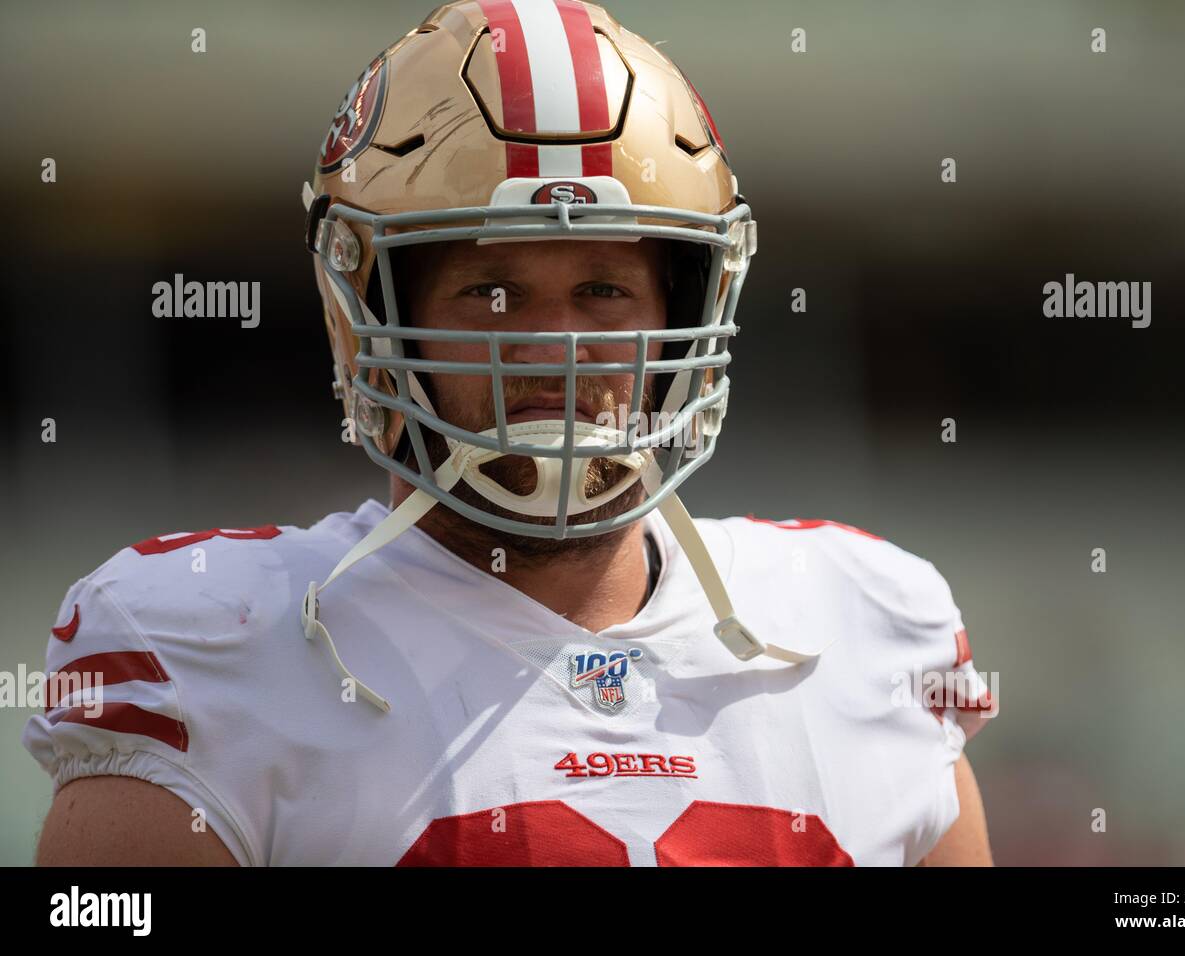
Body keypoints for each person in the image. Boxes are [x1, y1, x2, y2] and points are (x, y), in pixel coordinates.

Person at [25, 0, 994, 866]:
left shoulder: (862, 634)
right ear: (365, 314)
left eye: (603, 290)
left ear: (685, 312)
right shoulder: (212, 658)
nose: (555, 345)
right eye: (493, 292)